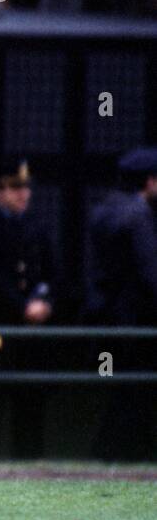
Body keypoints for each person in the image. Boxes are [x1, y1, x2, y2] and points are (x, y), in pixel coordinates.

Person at [0, 157, 57, 459]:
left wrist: (45, 301)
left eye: (26, 188)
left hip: (31, 334)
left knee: (30, 404)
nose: (23, 194)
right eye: (15, 188)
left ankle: (30, 467)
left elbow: (54, 273)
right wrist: (22, 306)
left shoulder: (38, 226)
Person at [83, 147, 157, 461]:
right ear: (149, 182)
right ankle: (113, 455)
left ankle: (110, 455)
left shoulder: (104, 209)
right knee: (135, 392)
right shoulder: (138, 215)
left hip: (108, 316)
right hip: (136, 319)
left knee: (124, 391)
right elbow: (149, 273)